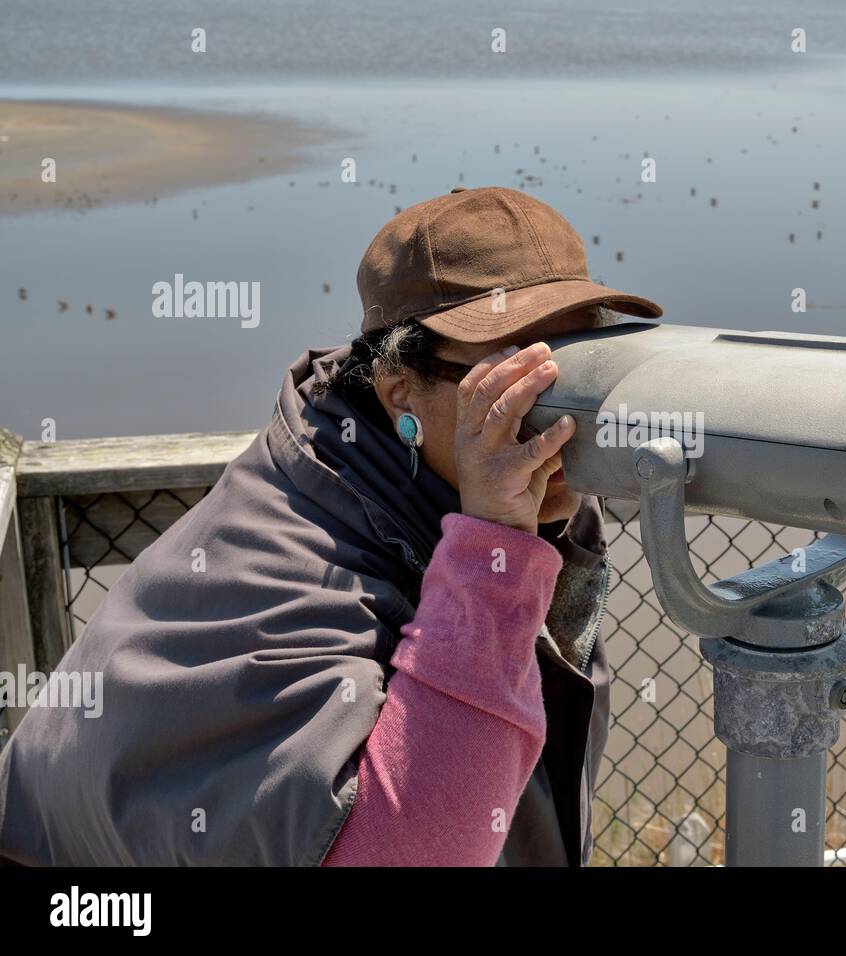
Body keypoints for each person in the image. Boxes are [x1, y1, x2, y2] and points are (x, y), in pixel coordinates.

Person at [0, 185, 663, 866]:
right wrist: (494, 545)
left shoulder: (436, 486)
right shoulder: (285, 562)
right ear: (401, 391)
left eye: (582, 363)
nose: (563, 421)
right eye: (514, 384)